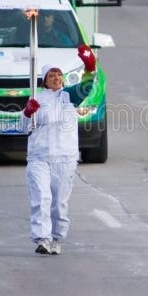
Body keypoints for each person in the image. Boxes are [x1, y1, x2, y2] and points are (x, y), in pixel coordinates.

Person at [21, 43, 97, 255]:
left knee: (59, 204)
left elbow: (86, 86)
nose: (56, 78)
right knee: (42, 198)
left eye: (59, 75)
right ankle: (42, 239)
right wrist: (27, 112)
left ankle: (56, 238)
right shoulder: (35, 99)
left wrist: (90, 67)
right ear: (44, 80)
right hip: (39, 157)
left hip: (65, 158)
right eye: (51, 75)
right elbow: (22, 127)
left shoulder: (69, 96)